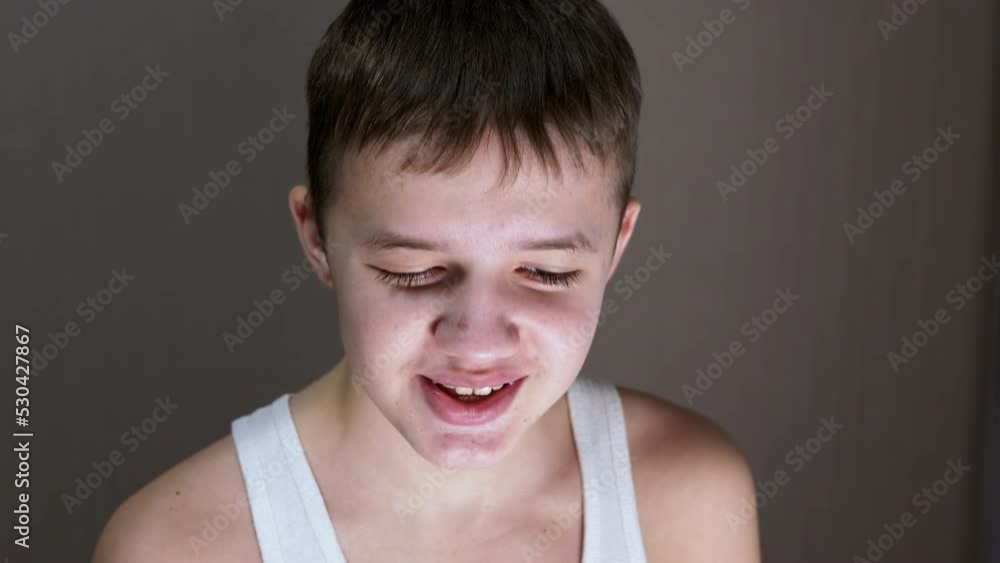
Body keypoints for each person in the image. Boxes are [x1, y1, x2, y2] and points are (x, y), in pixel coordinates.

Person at [94, 0, 761, 561]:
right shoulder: (173, 544)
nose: (475, 344)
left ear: (616, 247)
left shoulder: (688, 500)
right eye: (412, 272)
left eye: (547, 272)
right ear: (317, 237)